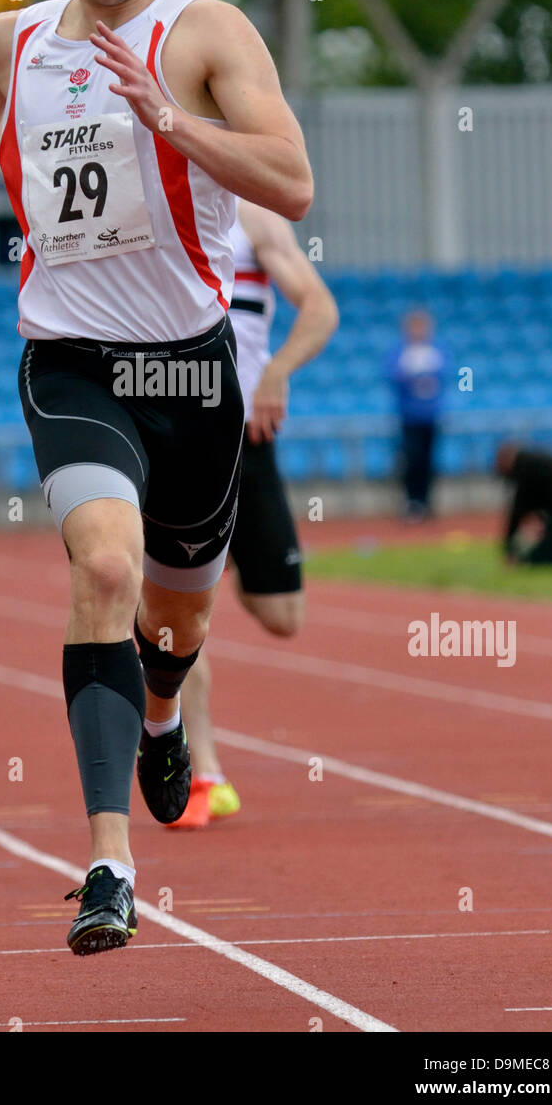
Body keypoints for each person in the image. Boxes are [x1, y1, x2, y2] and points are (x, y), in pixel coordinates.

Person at [0, 0, 314, 955]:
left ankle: (160, 718)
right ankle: (108, 862)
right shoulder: (18, 38)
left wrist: (170, 120)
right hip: (72, 359)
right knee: (103, 564)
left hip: (192, 368)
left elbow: (289, 174)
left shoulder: (205, 34)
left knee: (177, 618)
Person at [168, 199, 338, 828]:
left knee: (283, 615)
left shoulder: (256, 217)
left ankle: (218, 567)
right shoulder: (157, 194)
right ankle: (201, 771)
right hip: (173, 432)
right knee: (178, 617)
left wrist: (277, 374)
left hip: (246, 434)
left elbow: (320, 308)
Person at [386, 310, 448, 521]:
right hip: (409, 417)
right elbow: (391, 376)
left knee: (430, 461)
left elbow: (449, 374)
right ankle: (412, 503)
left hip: (431, 417)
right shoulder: (401, 353)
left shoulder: (437, 351)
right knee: (411, 460)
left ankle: (426, 501)